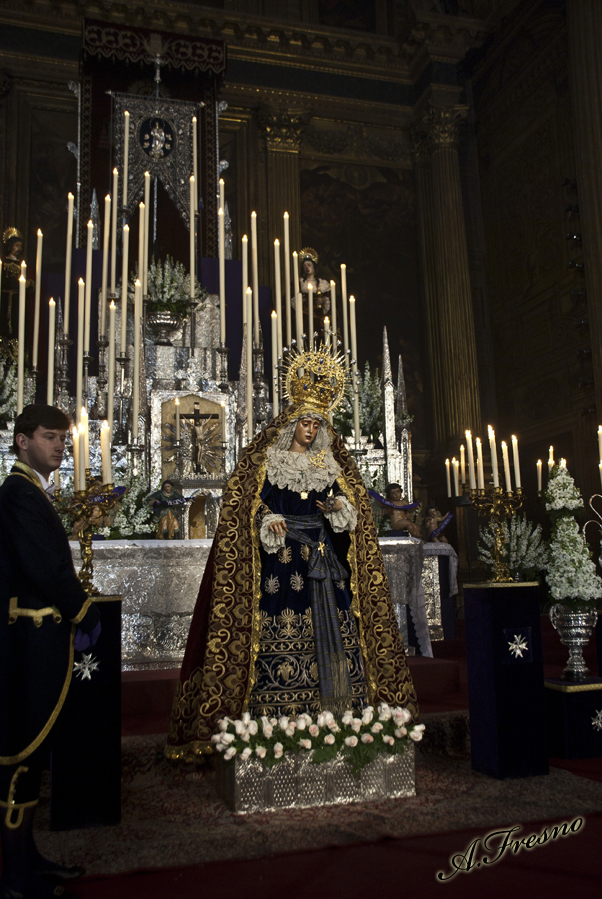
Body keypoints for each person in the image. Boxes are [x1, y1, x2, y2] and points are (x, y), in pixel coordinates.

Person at [166, 346, 418, 761]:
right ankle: (271, 718)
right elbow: (251, 501)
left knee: (336, 628)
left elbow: (347, 508)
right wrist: (267, 518)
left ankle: (341, 715)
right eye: (304, 421)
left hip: (323, 560)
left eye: (317, 423)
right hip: (281, 564)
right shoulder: (269, 461)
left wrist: (340, 508)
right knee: (277, 627)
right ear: (292, 424)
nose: (310, 429)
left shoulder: (331, 466)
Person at [0, 404, 100, 899]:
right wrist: (83, 610)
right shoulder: (18, 494)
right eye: (49, 436)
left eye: (63, 437)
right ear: (22, 441)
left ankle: (28, 858)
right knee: (22, 753)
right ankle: (13, 874)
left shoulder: (33, 491)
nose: (60, 445)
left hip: (43, 642)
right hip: (28, 646)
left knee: (36, 755)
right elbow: (41, 565)